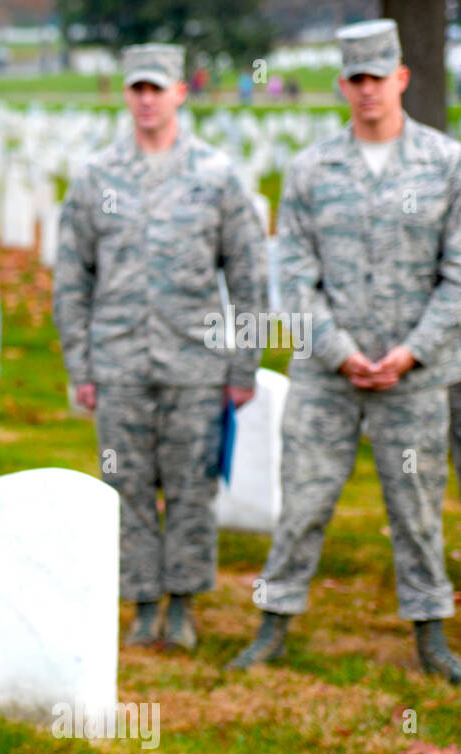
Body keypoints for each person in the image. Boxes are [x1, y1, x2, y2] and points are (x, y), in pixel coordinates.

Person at [229, 19, 461, 684]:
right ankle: (273, 626)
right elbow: (294, 274)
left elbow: (458, 274)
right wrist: (336, 350)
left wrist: (412, 352)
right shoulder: (310, 169)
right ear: (342, 84)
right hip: (328, 376)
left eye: (377, 78)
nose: (366, 90)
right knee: (303, 502)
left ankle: (431, 637)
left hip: (413, 377)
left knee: (417, 510)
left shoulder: (446, 165)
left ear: (402, 78)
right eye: (354, 79)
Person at [53, 43, 267, 651]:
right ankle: (144, 601)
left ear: (180, 92)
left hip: (196, 365)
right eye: (136, 88)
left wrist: (244, 365)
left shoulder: (217, 175)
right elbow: (73, 278)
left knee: (193, 487)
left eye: (158, 88)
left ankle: (185, 603)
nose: (146, 99)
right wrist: (81, 365)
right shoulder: (97, 177)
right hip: (119, 362)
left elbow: (248, 277)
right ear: (127, 95)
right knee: (128, 485)